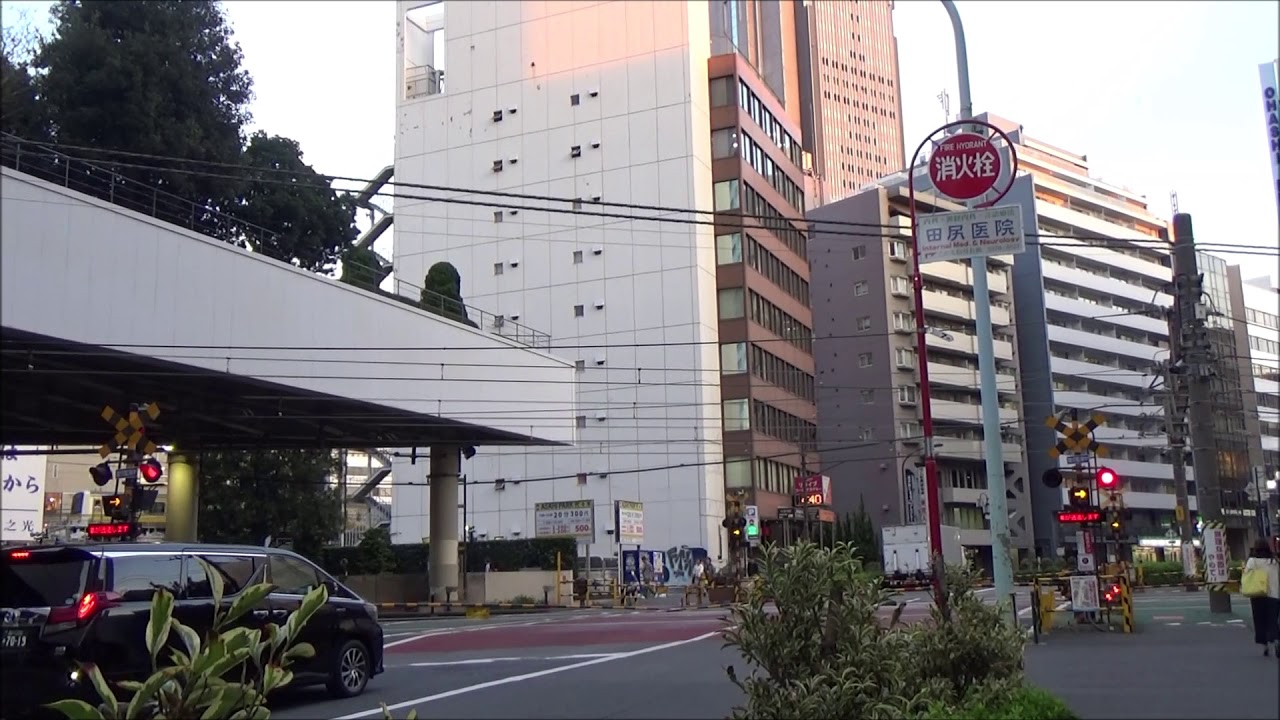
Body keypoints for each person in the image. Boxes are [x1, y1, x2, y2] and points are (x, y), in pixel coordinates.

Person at [1243, 538, 1280, 657]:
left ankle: (1265, 647)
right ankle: (1276, 641)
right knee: (1273, 620)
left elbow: (1246, 575)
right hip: (1274, 594)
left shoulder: (1252, 561)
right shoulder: (1274, 561)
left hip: (1258, 594)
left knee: (1260, 621)